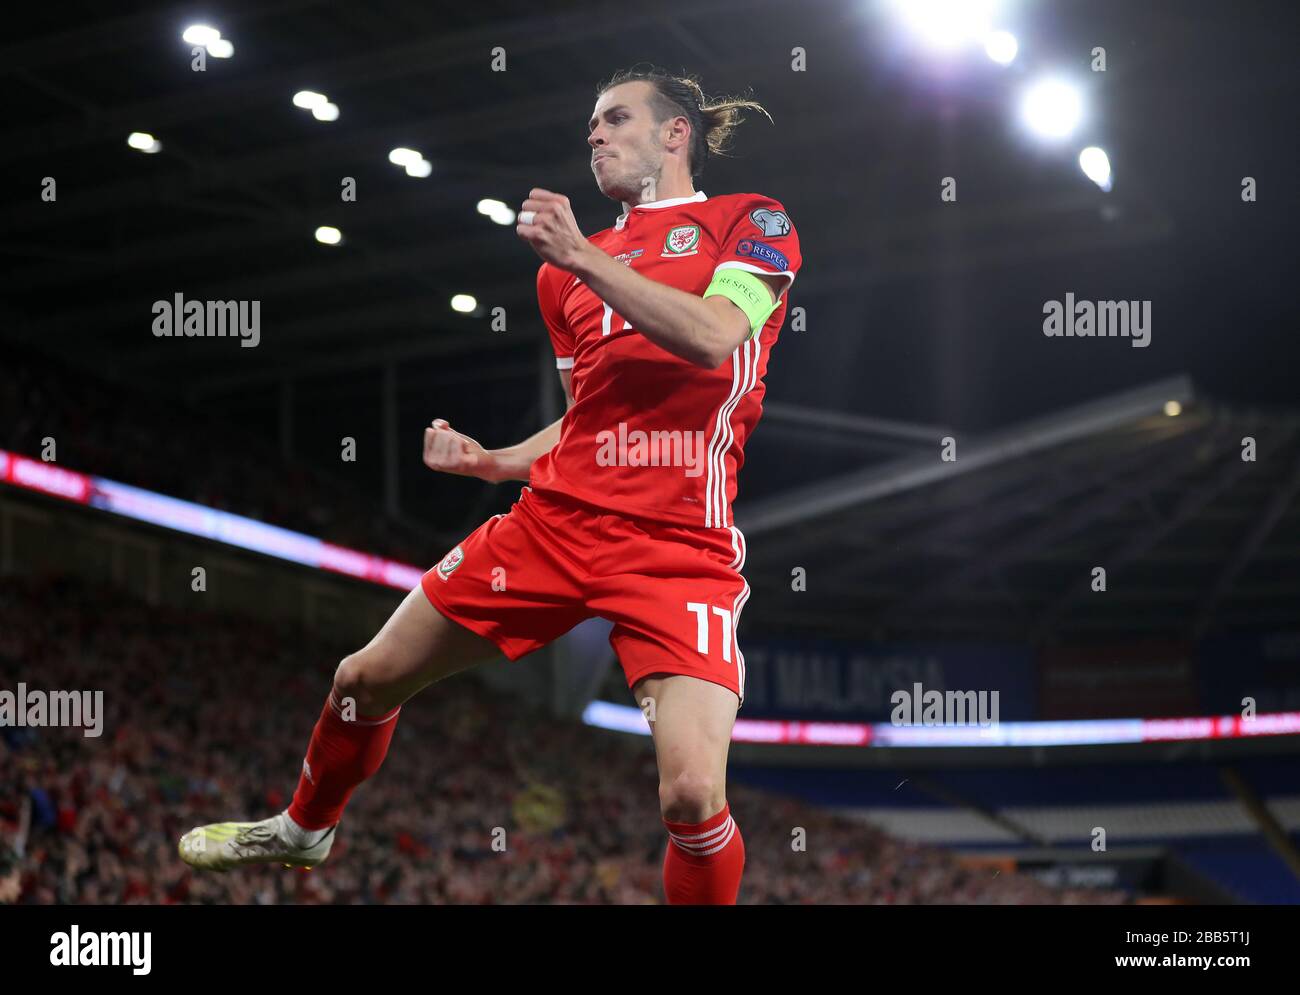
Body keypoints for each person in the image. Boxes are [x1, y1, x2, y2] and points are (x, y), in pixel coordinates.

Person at [179, 67, 802, 905]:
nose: (595, 135)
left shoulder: (749, 221)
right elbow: (588, 417)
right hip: (552, 527)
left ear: (674, 134)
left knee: (692, 795)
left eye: (615, 119)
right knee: (362, 678)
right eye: (589, 125)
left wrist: (580, 253)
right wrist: (495, 461)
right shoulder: (561, 278)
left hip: (677, 548)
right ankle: (304, 827)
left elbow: (717, 341)